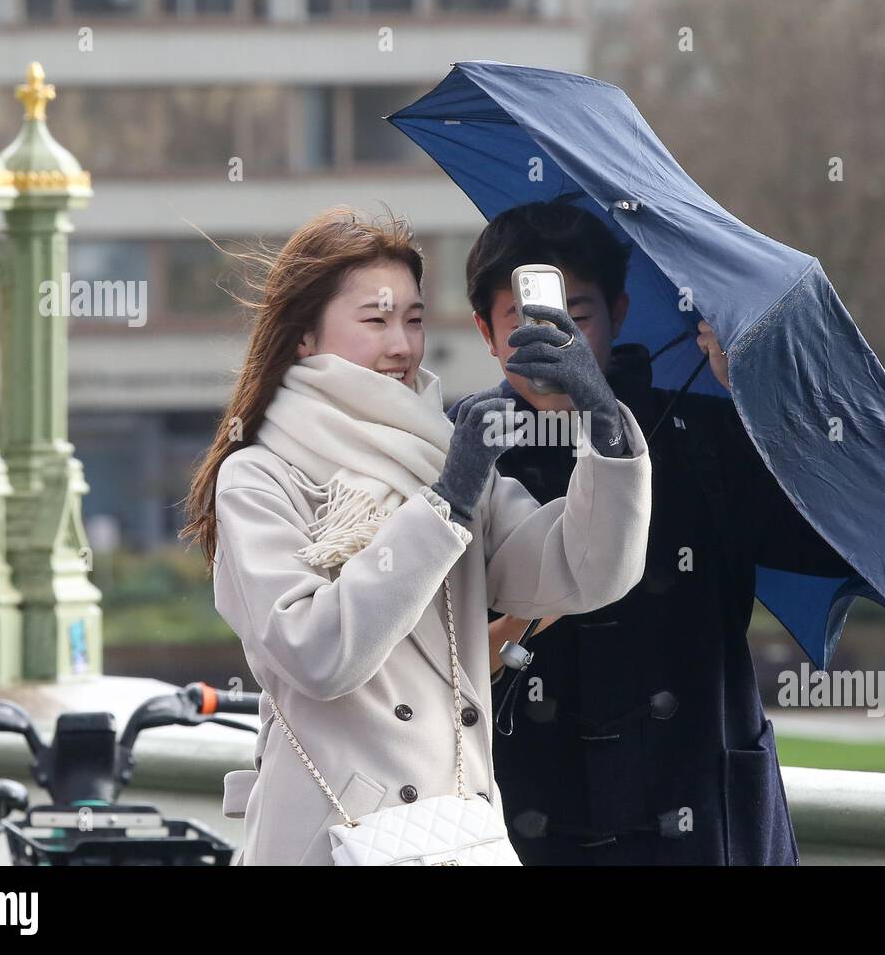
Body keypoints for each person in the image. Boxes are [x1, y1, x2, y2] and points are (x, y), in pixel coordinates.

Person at [180, 206, 652, 865]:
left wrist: (600, 419)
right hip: (330, 842)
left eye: (414, 318)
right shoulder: (258, 476)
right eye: (375, 320)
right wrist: (447, 501)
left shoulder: (438, 453)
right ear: (304, 338)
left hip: (450, 841)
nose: (402, 346)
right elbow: (318, 654)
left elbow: (584, 573)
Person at [455, 199, 854, 865]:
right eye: (524, 323)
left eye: (575, 319)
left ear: (618, 312)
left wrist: (764, 401)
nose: (552, 343)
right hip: (519, 812)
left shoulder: (705, 433)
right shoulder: (463, 447)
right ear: (485, 332)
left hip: (699, 808)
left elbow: (832, 537)